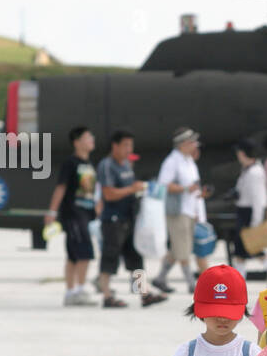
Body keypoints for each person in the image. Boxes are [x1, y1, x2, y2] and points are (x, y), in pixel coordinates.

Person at [96, 130, 167, 308]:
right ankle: (106, 295)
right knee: (110, 256)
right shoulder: (107, 165)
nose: (129, 149)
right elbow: (108, 193)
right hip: (113, 219)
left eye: (131, 145)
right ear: (115, 145)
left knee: (135, 257)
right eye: (126, 145)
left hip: (129, 218)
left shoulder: (126, 165)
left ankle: (144, 294)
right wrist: (131, 189)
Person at [46, 126, 100, 306]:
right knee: (84, 253)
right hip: (73, 214)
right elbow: (61, 187)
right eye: (87, 137)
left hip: (86, 213)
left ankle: (72, 291)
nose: (91, 139)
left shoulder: (89, 164)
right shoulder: (71, 163)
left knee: (73, 255)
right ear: (77, 142)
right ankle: (77, 290)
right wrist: (52, 212)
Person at [152, 127, 206, 294]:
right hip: (178, 211)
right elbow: (163, 184)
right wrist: (184, 189)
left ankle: (160, 278)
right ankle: (192, 283)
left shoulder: (188, 160)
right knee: (183, 248)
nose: (195, 145)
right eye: (192, 142)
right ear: (183, 144)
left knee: (177, 248)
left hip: (190, 210)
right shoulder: (172, 161)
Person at [232, 140, 267, 260]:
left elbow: (258, 200)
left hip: (250, 215)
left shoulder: (255, 172)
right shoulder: (247, 170)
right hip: (244, 213)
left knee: (257, 251)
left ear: (243, 153)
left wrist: (255, 223)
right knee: (242, 253)